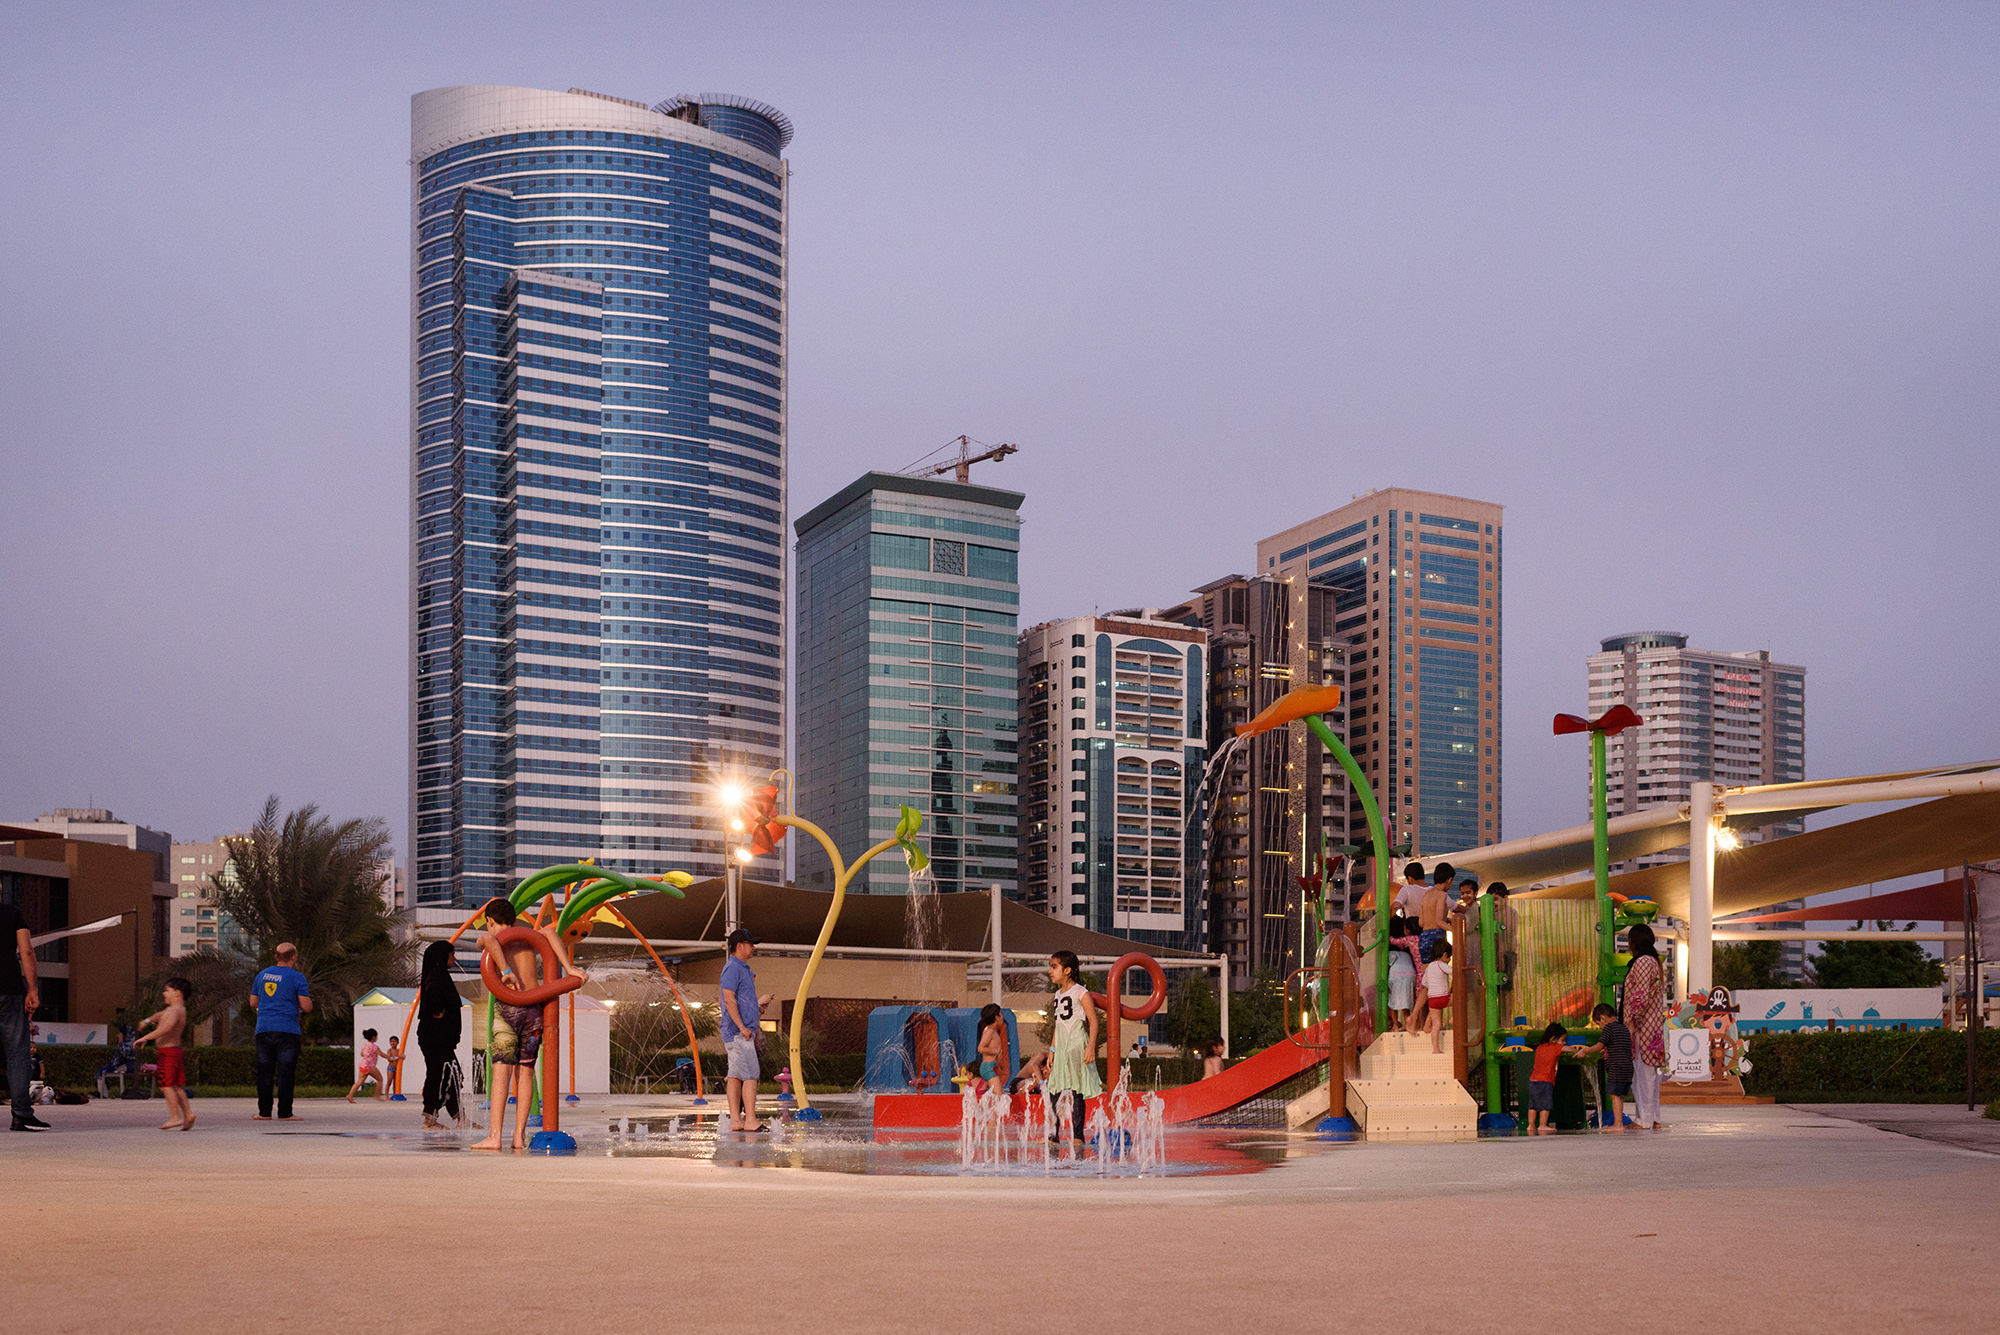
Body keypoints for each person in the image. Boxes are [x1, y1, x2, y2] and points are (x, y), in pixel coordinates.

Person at [473, 897, 581, 1151]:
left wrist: (505, 971)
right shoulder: (530, 936)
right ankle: (519, 1135)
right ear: (512, 919)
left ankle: (495, 1136)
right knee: (526, 1072)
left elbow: (487, 940)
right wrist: (569, 968)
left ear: (489, 921)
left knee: (501, 1073)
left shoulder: (495, 938)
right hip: (533, 1010)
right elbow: (551, 932)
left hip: (508, 1009)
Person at [718, 927, 773, 1134]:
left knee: (735, 1075)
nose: (753, 948)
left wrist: (757, 1010)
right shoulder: (733, 968)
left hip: (737, 1030)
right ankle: (750, 1120)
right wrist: (742, 1027)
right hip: (738, 1032)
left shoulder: (740, 969)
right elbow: (728, 999)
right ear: (739, 946)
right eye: (750, 944)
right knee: (751, 1074)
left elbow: (737, 1001)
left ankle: (736, 1120)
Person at [1044, 951, 1101, 1148]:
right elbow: (1057, 1024)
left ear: (1067, 970)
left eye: (1054, 967)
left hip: (1077, 1044)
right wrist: (1051, 1050)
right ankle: (1053, 1133)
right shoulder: (1057, 995)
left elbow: (1093, 1021)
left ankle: (1078, 1135)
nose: (1050, 971)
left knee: (1077, 1090)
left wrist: (1090, 1046)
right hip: (1060, 1047)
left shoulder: (1080, 992)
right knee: (1054, 1089)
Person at [251, 943, 312, 1121]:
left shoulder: (261, 975)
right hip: (288, 1030)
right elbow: (306, 1006)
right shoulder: (297, 977)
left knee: (264, 1071)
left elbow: (253, 1002)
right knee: (286, 1072)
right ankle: (285, 1112)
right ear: (294, 957)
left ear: (276, 956)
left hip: (264, 1028)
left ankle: (264, 1112)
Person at [414, 940, 469, 1130]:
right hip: (435, 1038)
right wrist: (439, 1010)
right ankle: (429, 1119)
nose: (454, 958)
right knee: (439, 1076)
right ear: (442, 957)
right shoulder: (437, 977)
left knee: (452, 1076)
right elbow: (434, 1000)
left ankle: (460, 1118)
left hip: (440, 1039)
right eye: (452, 955)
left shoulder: (439, 976)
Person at [0, 895, 44, 1132]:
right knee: (17, 1054)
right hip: (8, 990)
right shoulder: (12, 913)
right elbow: (26, 951)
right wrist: (33, 989)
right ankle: (21, 1115)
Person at [132, 978, 195, 1131]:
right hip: (173, 1051)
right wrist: (146, 1021)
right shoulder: (176, 1009)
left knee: (166, 1085)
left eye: (167, 990)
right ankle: (188, 1114)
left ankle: (175, 1117)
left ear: (177, 993)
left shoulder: (173, 1011)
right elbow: (159, 1016)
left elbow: (166, 1028)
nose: (163, 993)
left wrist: (146, 1037)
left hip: (168, 1053)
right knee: (174, 1085)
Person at [1624, 923, 1668, 1131]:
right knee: (1650, 1075)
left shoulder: (1641, 962)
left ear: (1634, 941)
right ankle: (1653, 1117)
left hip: (1642, 1028)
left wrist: (1632, 1022)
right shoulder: (1654, 962)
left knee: (1642, 1075)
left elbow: (1640, 995)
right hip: (1653, 1027)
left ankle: (1644, 1119)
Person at [1576, 1003, 1632, 1132]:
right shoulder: (1623, 1028)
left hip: (1616, 1066)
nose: (1600, 1027)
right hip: (1627, 1066)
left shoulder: (1609, 1028)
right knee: (1618, 1095)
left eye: (1598, 1024)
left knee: (1614, 1095)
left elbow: (1599, 1045)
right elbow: (1618, 1046)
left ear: (1602, 1018)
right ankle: (1619, 1122)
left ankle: (1618, 1124)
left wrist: (1585, 1051)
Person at [1529, 1021, 1566, 1133]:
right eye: (1563, 1040)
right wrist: (1579, 1051)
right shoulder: (1555, 1047)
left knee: (1533, 1105)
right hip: (1545, 1080)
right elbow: (1568, 1049)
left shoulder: (1540, 1047)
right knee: (1545, 1104)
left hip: (1533, 1079)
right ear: (1554, 1039)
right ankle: (1543, 1125)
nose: (1564, 1043)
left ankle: (1531, 1125)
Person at [1418, 942, 1453, 1054]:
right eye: (1449, 957)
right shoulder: (1441, 965)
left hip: (1432, 999)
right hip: (1442, 997)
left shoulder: (1429, 968)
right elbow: (1454, 972)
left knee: (1436, 1024)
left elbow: (1424, 982)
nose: (1449, 959)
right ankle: (1453, 1018)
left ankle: (1436, 1049)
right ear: (1444, 954)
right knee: (1459, 999)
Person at [1387, 914, 1418, 1027]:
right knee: (1407, 1002)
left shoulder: (1391, 948)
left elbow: (1388, 965)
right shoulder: (1408, 948)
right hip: (1411, 974)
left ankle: (1395, 1025)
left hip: (1395, 974)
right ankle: (1409, 1024)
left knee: (1392, 1002)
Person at [96, 1022, 137, 1100]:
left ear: (124, 1034)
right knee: (103, 1070)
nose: (118, 1035)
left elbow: (122, 1056)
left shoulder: (126, 1045)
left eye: (119, 1033)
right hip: (127, 1065)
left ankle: (103, 1094)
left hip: (127, 1065)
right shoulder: (129, 1043)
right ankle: (103, 1094)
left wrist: (120, 1041)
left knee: (103, 1072)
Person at [976, 1003, 1011, 1086]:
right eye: (1001, 1014)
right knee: (999, 1095)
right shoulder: (989, 1031)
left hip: (992, 1066)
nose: (1002, 1017)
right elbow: (980, 1048)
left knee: (994, 1095)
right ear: (996, 1017)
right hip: (988, 1067)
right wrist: (996, 1051)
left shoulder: (993, 1031)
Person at [347, 1028, 386, 1103]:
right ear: (374, 1037)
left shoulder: (365, 1045)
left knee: (360, 1082)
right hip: (370, 1066)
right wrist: (389, 1057)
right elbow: (381, 1054)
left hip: (363, 1065)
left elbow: (362, 1054)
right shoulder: (374, 1046)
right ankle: (377, 1095)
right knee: (380, 1079)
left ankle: (350, 1095)